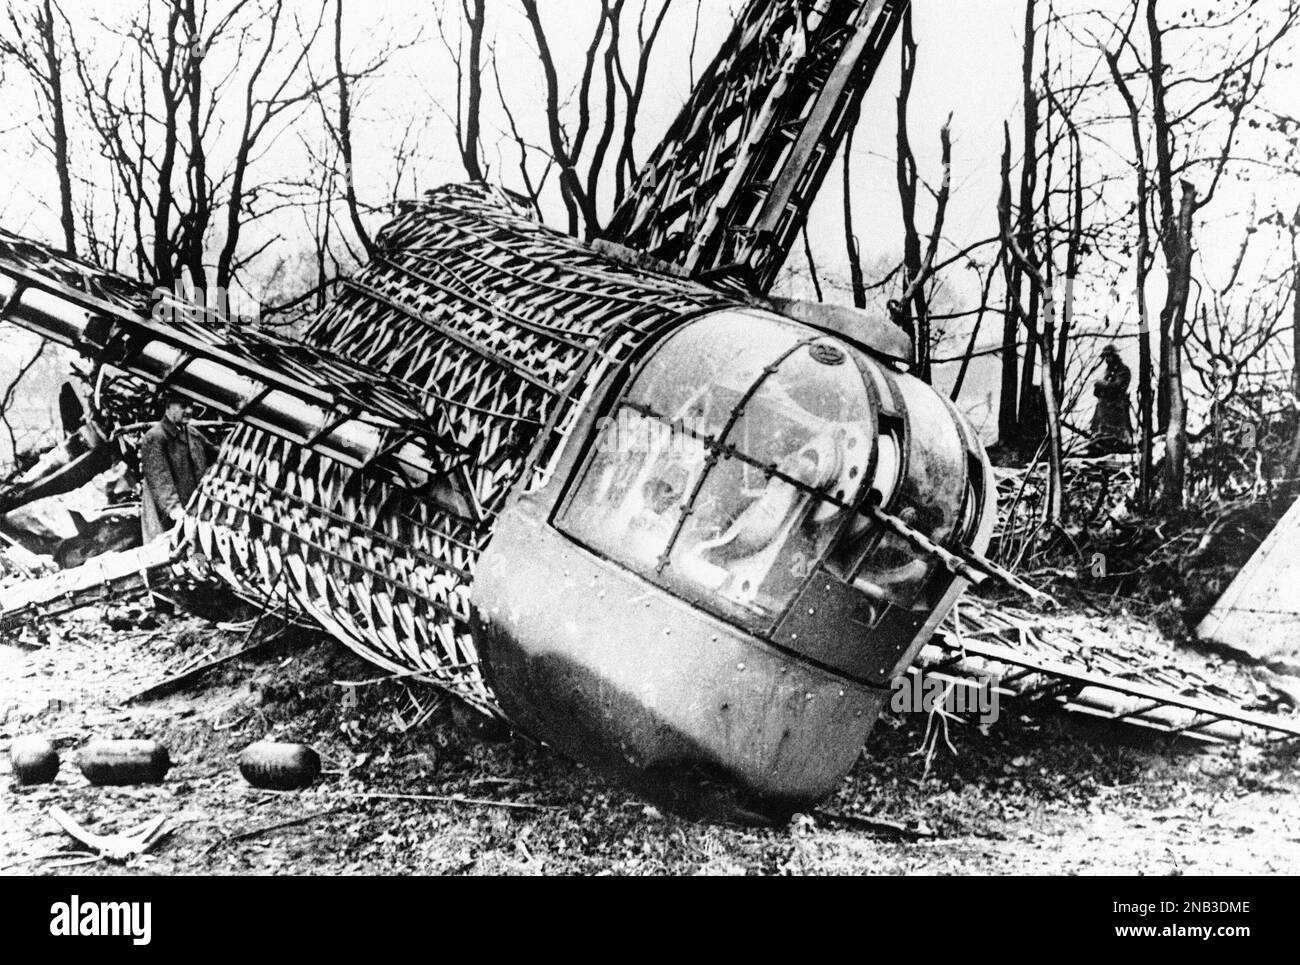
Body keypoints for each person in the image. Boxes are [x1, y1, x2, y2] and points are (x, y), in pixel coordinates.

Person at [139, 391, 212, 541]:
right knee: (174, 552)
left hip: (192, 507)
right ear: (168, 406)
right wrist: (174, 509)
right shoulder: (155, 437)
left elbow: (216, 455)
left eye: (191, 406)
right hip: (168, 514)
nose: (189, 411)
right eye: (183, 406)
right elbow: (159, 479)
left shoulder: (192, 433)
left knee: (198, 548)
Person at [1088, 344, 1133, 456]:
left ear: (1115, 356)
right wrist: (1098, 388)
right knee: (1099, 434)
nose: (1107, 359)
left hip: (1116, 408)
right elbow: (1101, 391)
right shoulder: (1108, 371)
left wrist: (1103, 384)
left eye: (1109, 356)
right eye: (1105, 357)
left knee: (1115, 436)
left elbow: (1119, 386)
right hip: (1104, 408)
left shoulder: (1123, 370)